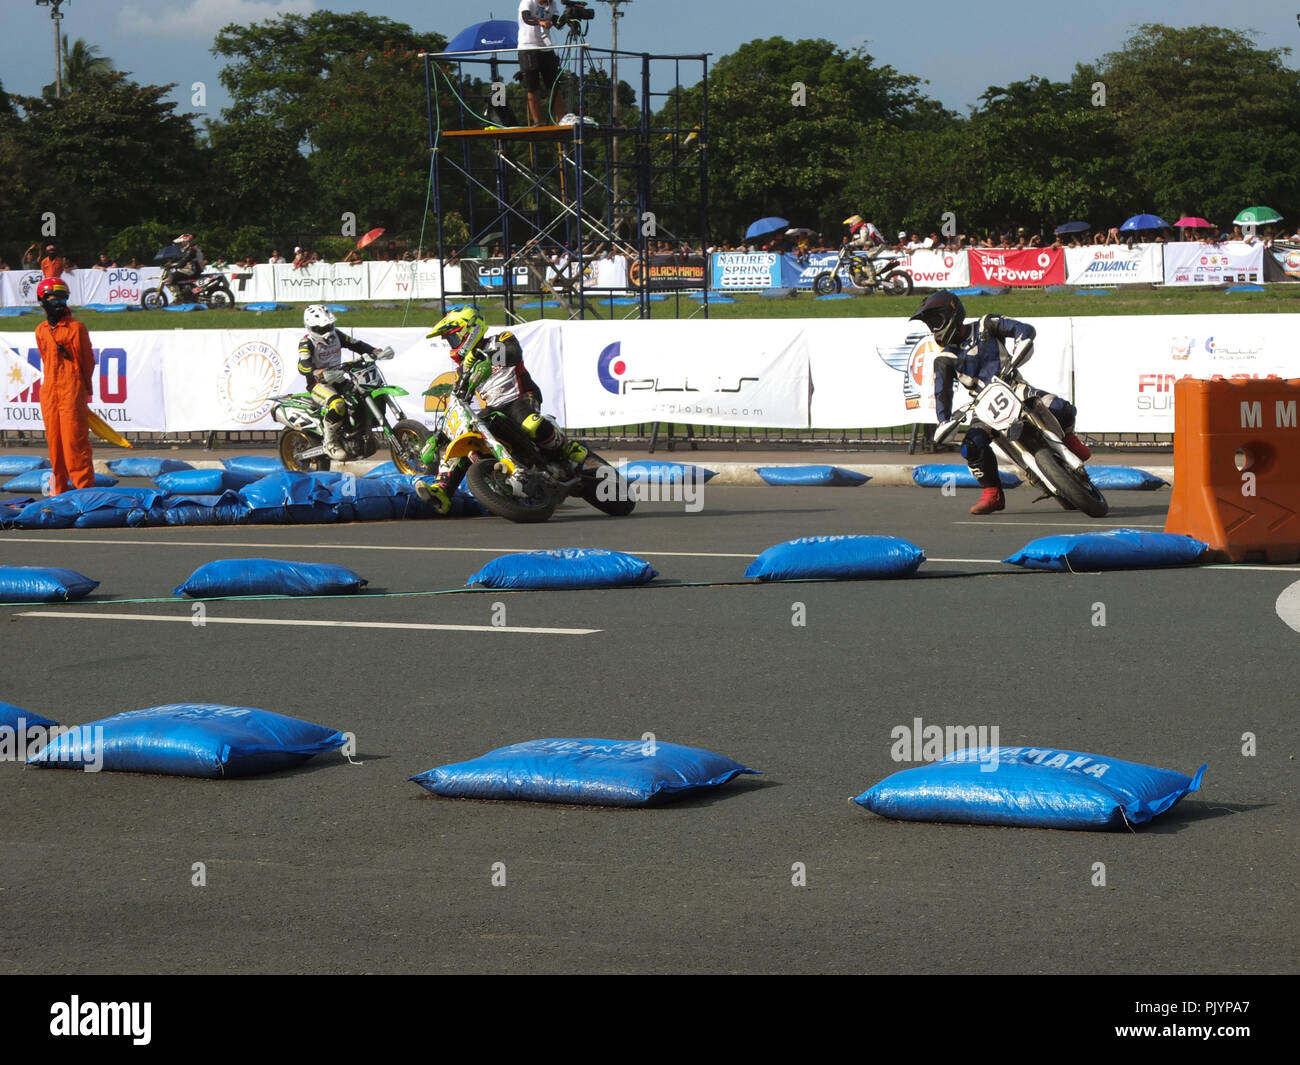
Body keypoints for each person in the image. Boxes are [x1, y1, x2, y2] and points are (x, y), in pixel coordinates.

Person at [910, 290, 1091, 515]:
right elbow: (942, 393)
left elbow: (1021, 328)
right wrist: (943, 420)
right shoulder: (944, 359)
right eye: (930, 324)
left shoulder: (987, 324)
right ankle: (992, 493)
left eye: (936, 321)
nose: (934, 329)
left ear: (952, 314)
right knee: (971, 446)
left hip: (1016, 388)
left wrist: (1022, 339)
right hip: (983, 408)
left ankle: (1070, 442)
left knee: (1062, 409)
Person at [416, 306, 587, 514]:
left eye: (453, 339)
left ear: (469, 330)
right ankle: (441, 491)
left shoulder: (500, 339)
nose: (452, 346)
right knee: (466, 437)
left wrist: (484, 356)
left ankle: (565, 447)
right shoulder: (463, 369)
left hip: (521, 398)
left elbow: (514, 353)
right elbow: (458, 404)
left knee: (530, 422)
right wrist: (436, 438)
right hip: (495, 411)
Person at [297, 305, 385, 460]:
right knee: (337, 404)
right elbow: (302, 365)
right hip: (318, 384)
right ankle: (329, 443)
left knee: (360, 397)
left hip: (338, 378)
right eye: (321, 328)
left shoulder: (337, 335)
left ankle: (360, 437)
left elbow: (356, 344)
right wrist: (314, 371)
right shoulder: (306, 343)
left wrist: (373, 350)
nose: (327, 331)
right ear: (311, 328)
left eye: (329, 325)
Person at [34, 278, 96, 496]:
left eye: (62, 297)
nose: (58, 301)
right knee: (55, 444)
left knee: (75, 443)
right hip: (50, 391)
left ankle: (84, 492)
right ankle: (58, 492)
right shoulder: (40, 330)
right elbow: (44, 357)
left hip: (71, 389)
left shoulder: (76, 328)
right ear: (42, 299)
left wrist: (81, 388)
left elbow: (87, 361)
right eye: (52, 297)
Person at [518, 0, 568, 126]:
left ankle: (562, 120)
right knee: (532, 86)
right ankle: (537, 122)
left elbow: (557, 21)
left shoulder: (551, 3)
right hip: (528, 47)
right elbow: (526, 18)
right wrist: (540, 22)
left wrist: (568, 18)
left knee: (554, 85)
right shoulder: (528, 2)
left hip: (546, 47)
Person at [166, 233, 204, 300]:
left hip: (193, 270)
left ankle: (177, 298)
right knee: (178, 277)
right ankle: (184, 295)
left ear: (186, 241)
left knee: (171, 277)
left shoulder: (192, 250)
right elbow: (180, 257)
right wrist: (170, 262)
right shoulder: (191, 248)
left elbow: (185, 260)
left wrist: (176, 266)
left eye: (182, 242)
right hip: (194, 269)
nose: (181, 244)